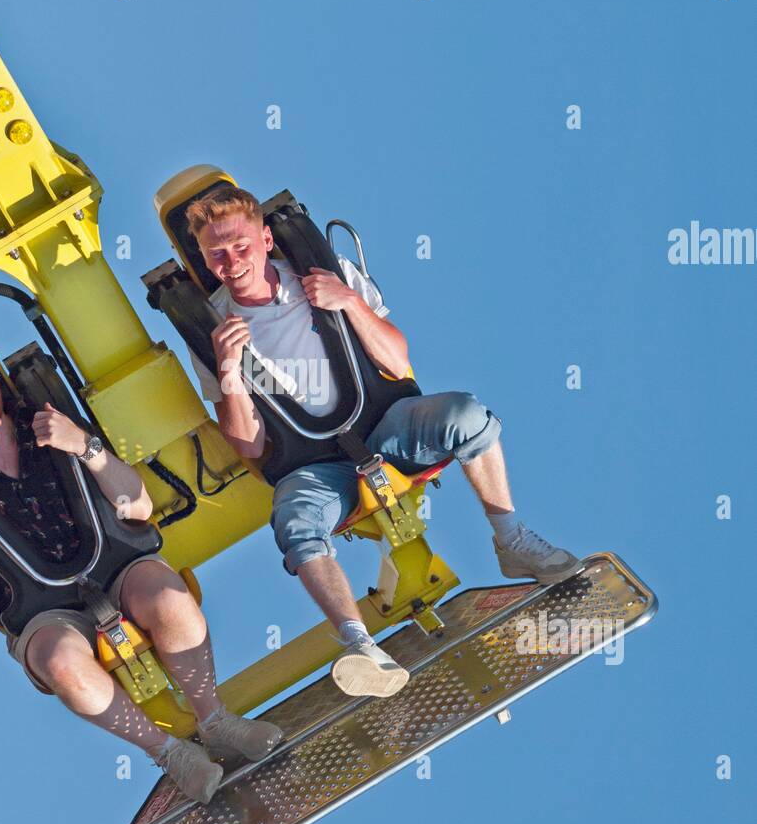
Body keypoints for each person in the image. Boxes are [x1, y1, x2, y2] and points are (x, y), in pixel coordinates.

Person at [185, 186, 581, 700]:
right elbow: (252, 448)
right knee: (294, 521)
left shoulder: (325, 274)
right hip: (315, 467)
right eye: (216, 253)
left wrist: (349, 302)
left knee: (467, 414)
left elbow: (396, 361)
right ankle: (360, 645)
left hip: (387, 424)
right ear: (203, 259)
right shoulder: (215, 332)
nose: (231, 261)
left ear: (264, 238)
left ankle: (512, 539)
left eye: (239, 245)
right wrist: (231, 376)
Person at [0, 328, 283, 802]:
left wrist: (84, 445)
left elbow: (139, 507)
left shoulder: (50, 420)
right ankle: (171, 754)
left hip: (118, 565)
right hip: (44, 610)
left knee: (166, 597)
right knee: (59, 662)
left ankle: (215, 720)